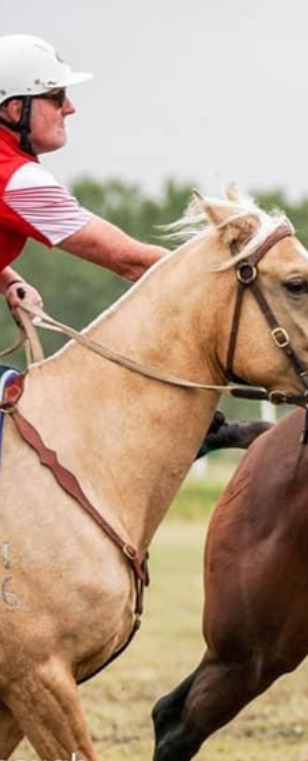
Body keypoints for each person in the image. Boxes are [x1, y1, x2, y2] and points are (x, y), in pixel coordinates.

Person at [0, 34, 269, 455]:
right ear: (16, 108)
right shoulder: (17, 179)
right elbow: (131, 262)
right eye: (57, 96)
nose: (70, 108)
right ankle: (176, 431)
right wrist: (228, 281)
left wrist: (7, 277)